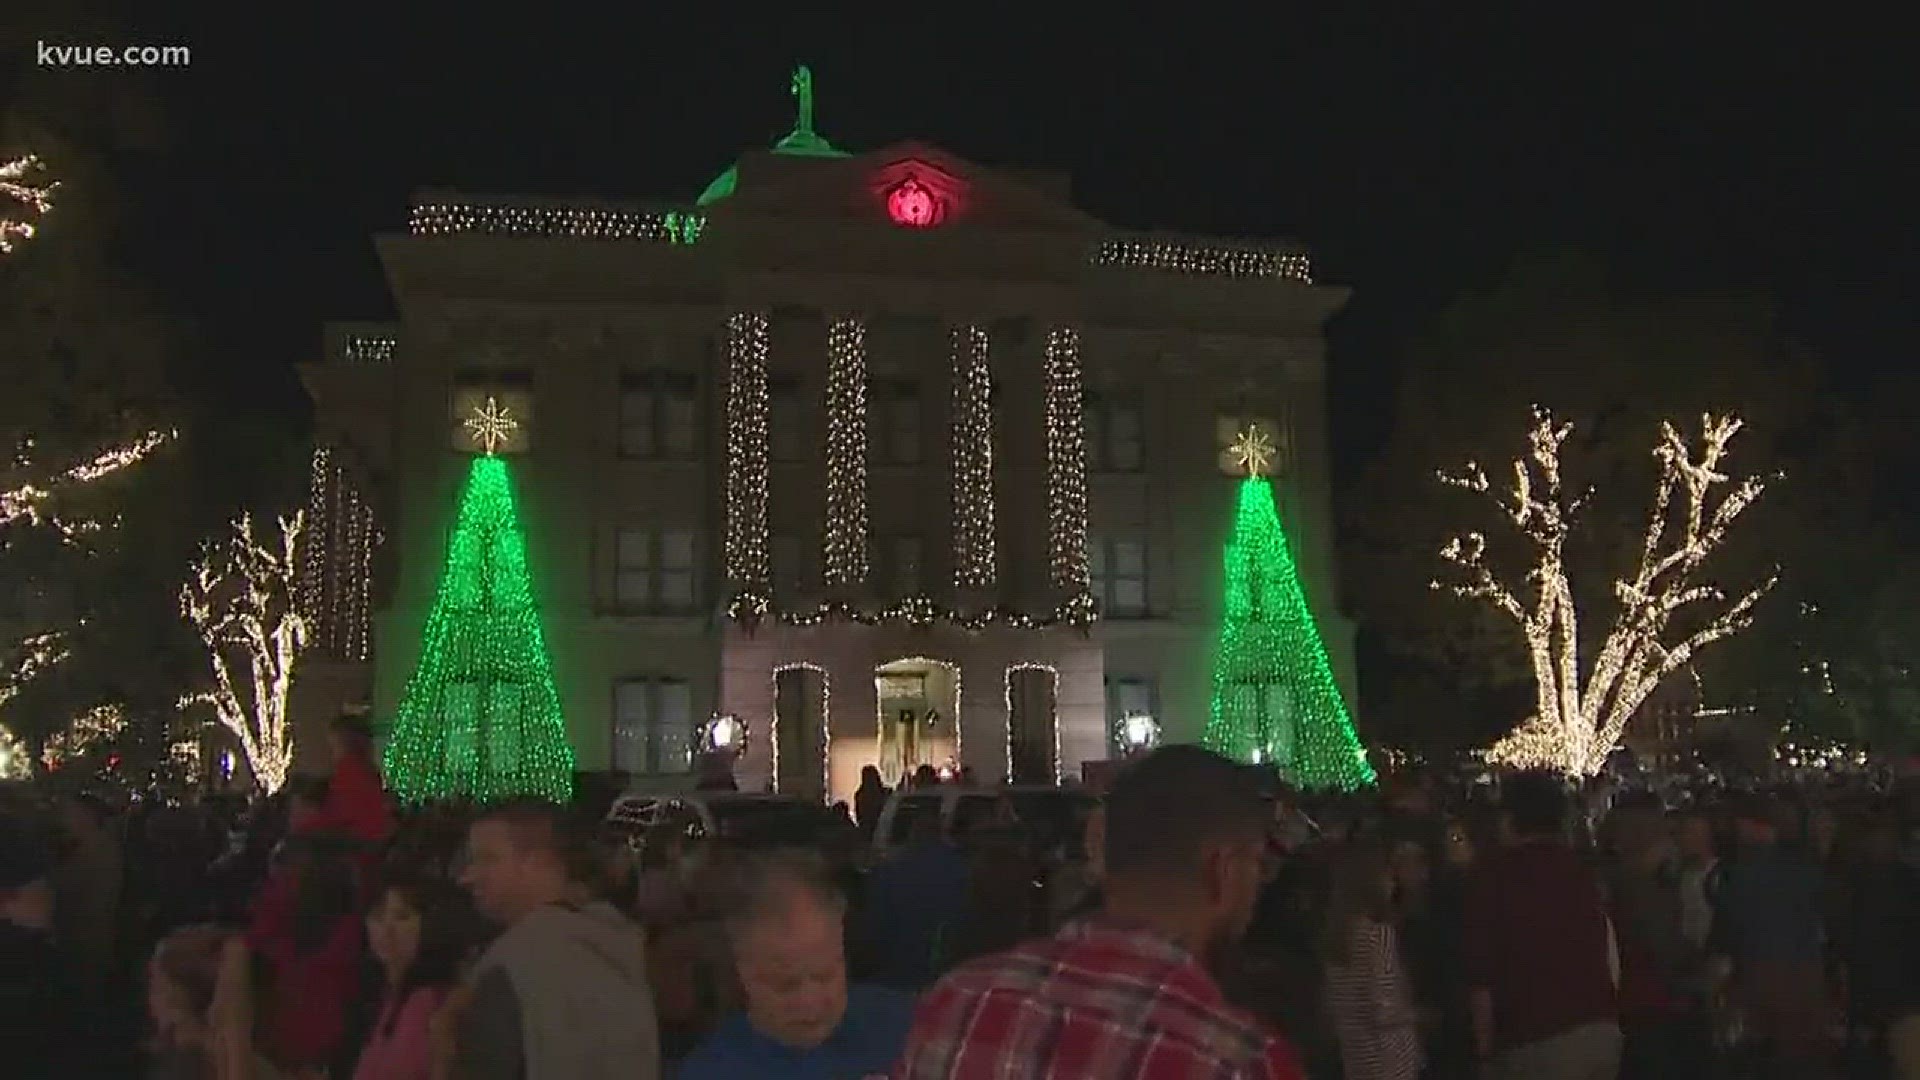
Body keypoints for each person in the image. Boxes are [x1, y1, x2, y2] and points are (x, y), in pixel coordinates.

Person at [895, 744, 1304, 1079]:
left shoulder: (959, 1000)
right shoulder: (1235, 1059)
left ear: (1100, 852)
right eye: (1258, 865)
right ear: (1225, 870)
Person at [454, 800, 659, 1080]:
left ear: (538, 862)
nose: (467, 877)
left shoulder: (519, 962)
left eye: (487, 859)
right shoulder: (618, 941)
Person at [678, 848, 915, 1078]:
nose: (810, 1003)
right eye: (785, 985)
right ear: (741, 971)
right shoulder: (712, 1072)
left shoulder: (908, 1027)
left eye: (826, 975)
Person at [1463, 771, 1619, 1079]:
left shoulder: (1495, 878)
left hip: (1535, 1035)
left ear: (1508, 820)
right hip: (1600, 1026)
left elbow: (1481, 974)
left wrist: (1483, 1053)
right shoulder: (1583, 870)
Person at [1322, 840, 1422, 1080]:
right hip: (1390, 1061)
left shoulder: (1336, 937)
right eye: (1387, 874)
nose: (1393, 882)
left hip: (1356, 1058)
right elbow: (1385, 1006)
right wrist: (1418, 1016)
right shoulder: (1377, 934)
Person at [353, 876, 467, 1079]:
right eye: (378, 916)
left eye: (402, 916)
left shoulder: (437, 1001)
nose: (387, 929)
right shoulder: (382, 998)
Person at [853, 766, 889, 839]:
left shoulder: (860, 794)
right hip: (882, 828)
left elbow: (859, 814)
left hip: (865, 828)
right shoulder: (884, 793)